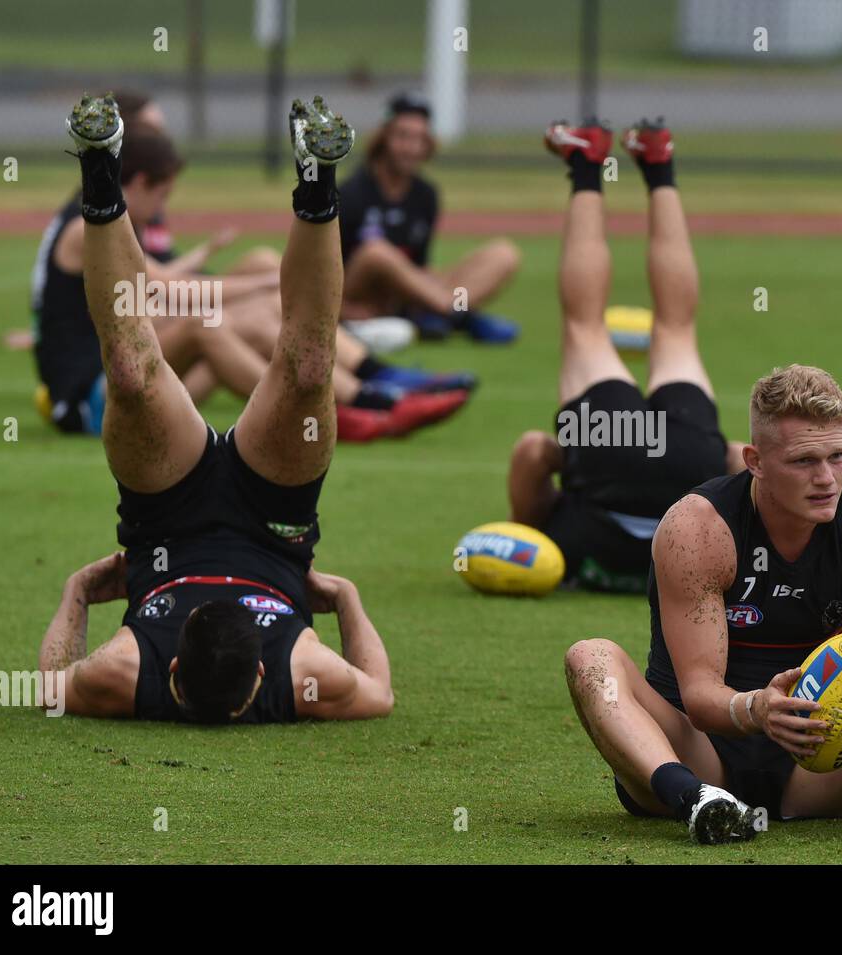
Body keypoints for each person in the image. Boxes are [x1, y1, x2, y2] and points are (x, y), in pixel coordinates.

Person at [37, 94, 402, 722]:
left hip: (164, 518)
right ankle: (317, 184)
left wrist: (76, 593)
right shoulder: (303, 674)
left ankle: (101, 177)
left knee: (129, 370)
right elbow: (380, 693)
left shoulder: (130, 672)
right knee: (310, 368)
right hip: (273, 519)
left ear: (171, 665)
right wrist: (346, 601)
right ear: (265, 667)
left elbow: (48, 690)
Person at [565, 365, 842, 845]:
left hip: (817, 770)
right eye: (804, 462)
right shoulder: (698, 528)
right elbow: (699, 697)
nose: (826, 479)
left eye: (837, 457)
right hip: (698, 752)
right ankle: (695, 801)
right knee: (590, 659)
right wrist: (758, 710)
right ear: (754, 460)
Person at [31, 108, 470, 440]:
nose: (163, 207)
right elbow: (170, 295)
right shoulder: (84, 227)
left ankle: (371, 386)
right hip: (92, 402)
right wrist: (278, 284)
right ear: (140, 182)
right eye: (163, 194)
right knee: (211, 323)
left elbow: (157, 290)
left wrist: (269, 283)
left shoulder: (111, 219)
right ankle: (355, 409)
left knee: (250, 294)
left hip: (128, 378)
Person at [508, 118, 743, 593]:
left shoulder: (560, 549)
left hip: (692, 464)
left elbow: (737, 458)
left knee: (675, 328)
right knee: (587, 325)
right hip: (613, 446)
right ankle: (589, 160)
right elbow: (535, 452)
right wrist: (573, 450)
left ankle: (658, 163)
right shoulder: (564, 542)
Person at [339, 91, 521, 343]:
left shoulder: (426, 195)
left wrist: (428, 285)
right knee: (376, 253)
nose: (412, 148)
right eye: (403, 137)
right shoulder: (350, 193)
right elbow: (325, 276)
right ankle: (460, 316)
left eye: (419, 139)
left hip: (410, 299)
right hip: (360, 300)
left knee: (503, 254)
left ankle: (438, 313)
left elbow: (418, 267)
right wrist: (343, 311)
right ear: (384, 137)